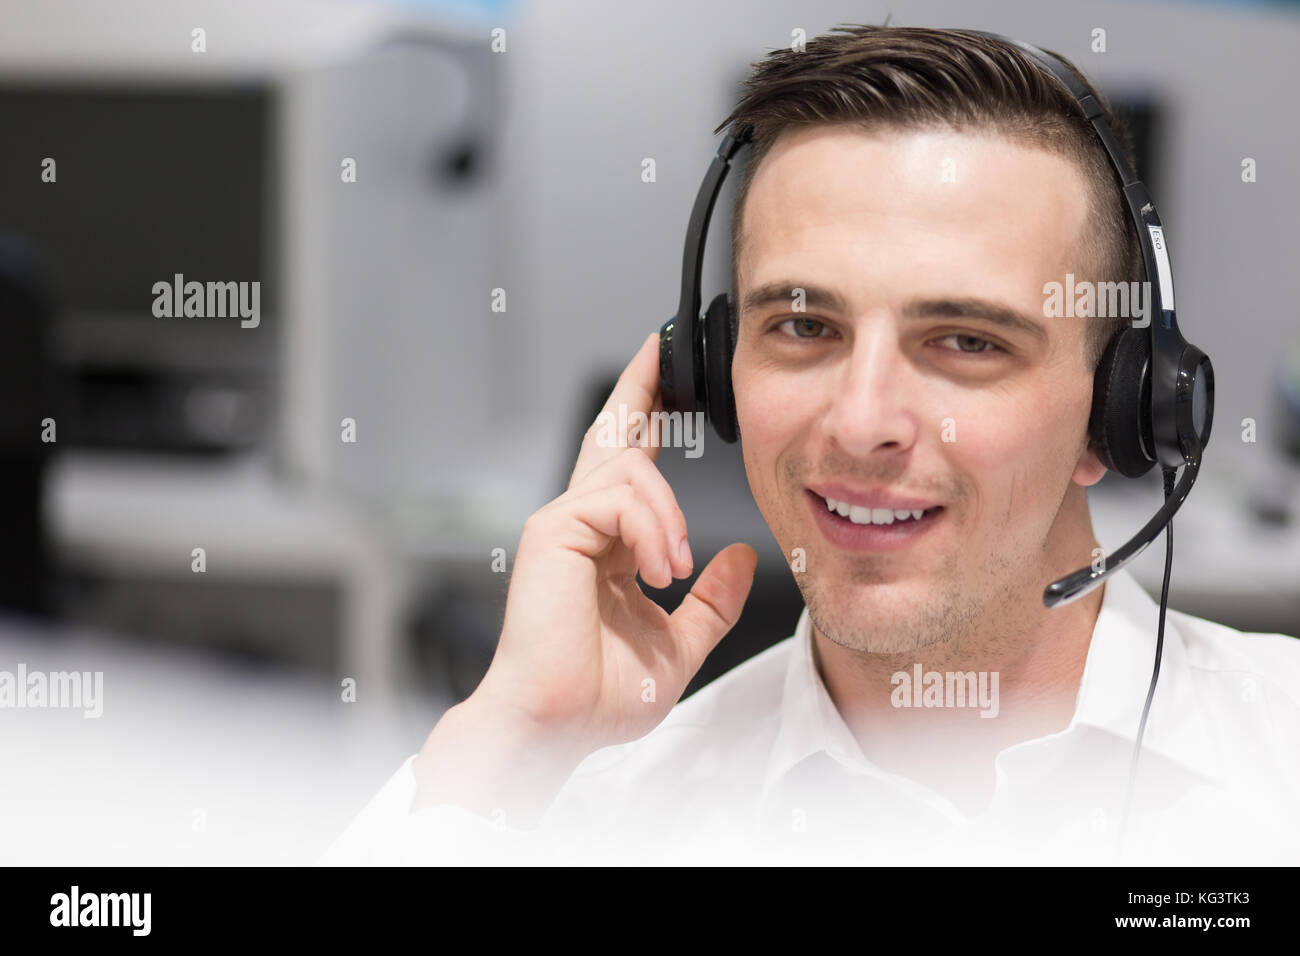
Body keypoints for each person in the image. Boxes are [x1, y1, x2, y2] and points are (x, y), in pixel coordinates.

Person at [323, 24, 1300, 865]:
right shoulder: (603, 812)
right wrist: (510, 734)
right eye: (802, 326)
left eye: (965, 340)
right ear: (712, 370)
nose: (857, 418)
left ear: (1119, 413)